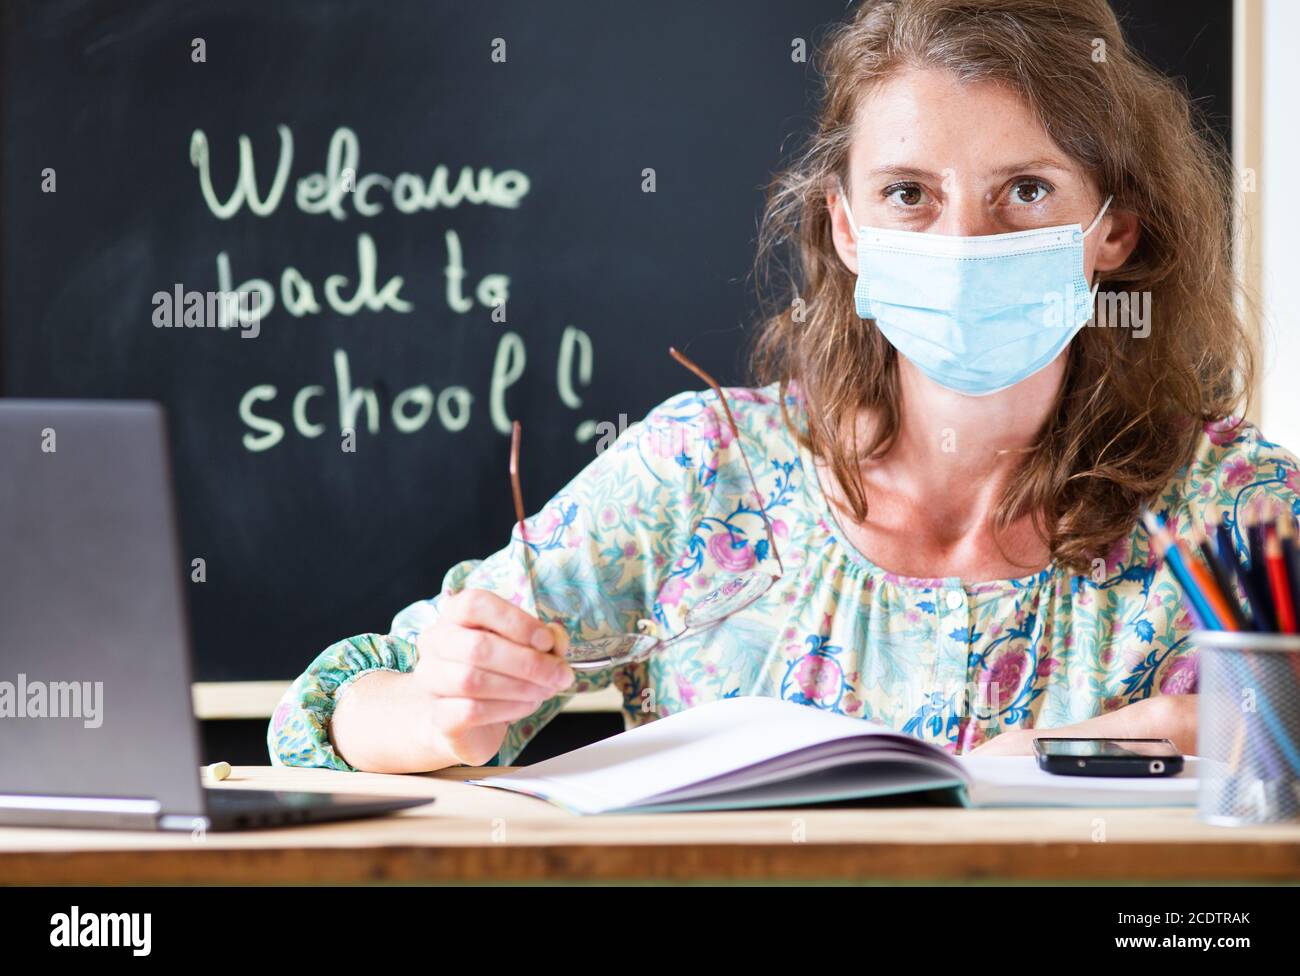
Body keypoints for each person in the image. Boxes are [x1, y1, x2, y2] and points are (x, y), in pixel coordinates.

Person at [270, 0, 1299, 773]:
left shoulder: (1238, 511)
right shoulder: (700, 475)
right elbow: (326, 715)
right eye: (907, 194)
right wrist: (435, 706)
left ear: (1111, 229)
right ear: (846, 229)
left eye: (1024, 192)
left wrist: (1254, 729)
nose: (961, 243)